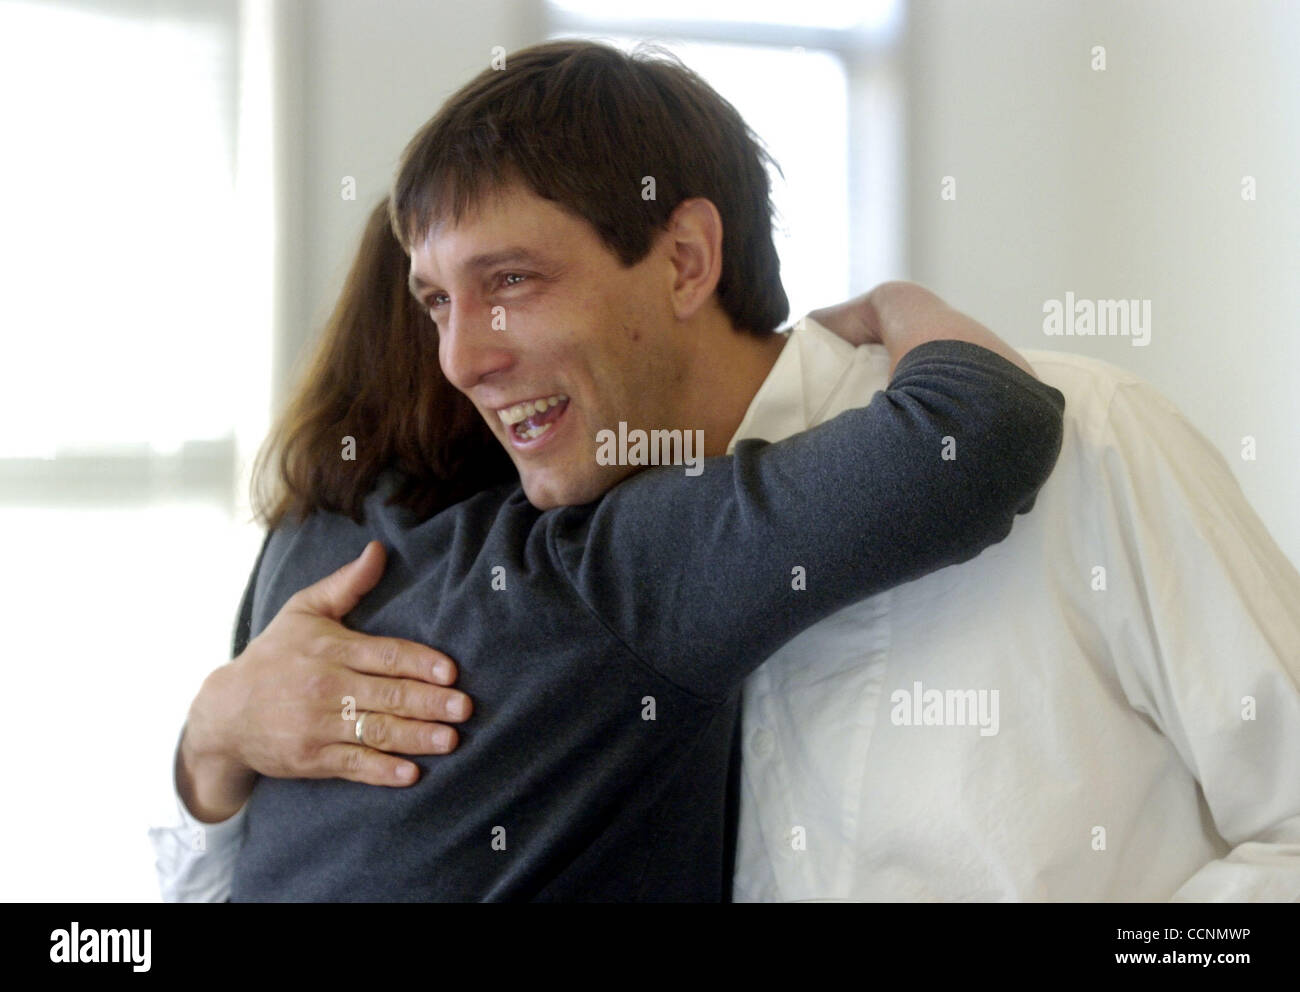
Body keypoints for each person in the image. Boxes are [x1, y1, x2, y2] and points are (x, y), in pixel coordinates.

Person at [160, 37, 1300, 902]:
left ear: (687, 258)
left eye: (511, 281)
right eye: (437, 301)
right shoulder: (526, 573)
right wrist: (212, 733)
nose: (461, 356)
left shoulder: (1090, 439)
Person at [154, 176, 1062, 898]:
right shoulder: (594, 568)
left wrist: (210, 735)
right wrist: (889, 303)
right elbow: (977, 427)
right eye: (454, 298)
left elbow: (194, 888)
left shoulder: (304, 544)